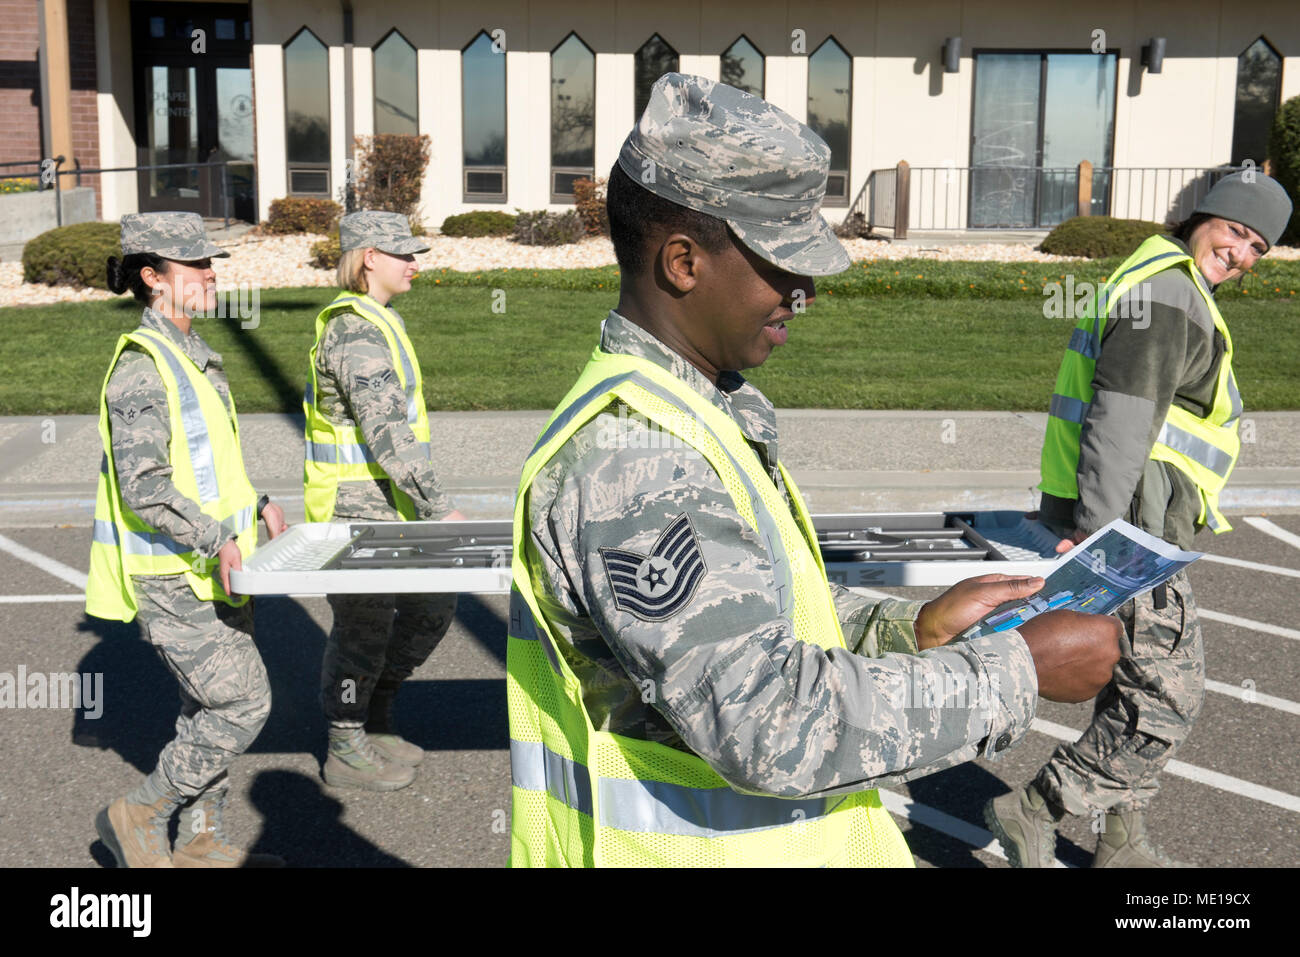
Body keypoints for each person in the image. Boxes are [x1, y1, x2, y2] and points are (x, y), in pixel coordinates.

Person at [506, 73, 1122, 867]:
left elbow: (763, 612)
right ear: (684, 262)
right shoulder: (637, 460)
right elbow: (767, 723)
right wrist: (1018, 669)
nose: (805, 291)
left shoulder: (693, 411)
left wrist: (919, 628)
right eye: (781, 261)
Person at [986, 171, 1293, 867]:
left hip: (1140, 522)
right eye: (1236, 232)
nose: (1242, 253)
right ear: (1203, 218)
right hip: (1132, 533)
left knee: (1136, 683)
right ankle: (1037, 806)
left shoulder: (1162, 279)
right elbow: (1121, 423)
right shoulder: (1173, 294)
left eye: (1258, 249)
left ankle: (1123, 839)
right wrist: (1103, 540)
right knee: (1169, 694)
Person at [88, 212, 288, 868]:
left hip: (215, 565)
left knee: (205, 702)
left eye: (211, 263)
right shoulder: (141, 369)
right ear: (151, 277)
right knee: (242, 699)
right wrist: (213, 537)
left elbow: (209, 462)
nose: (210, 275)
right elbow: (144, 484)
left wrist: (256, 503)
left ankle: (200, 842)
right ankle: (142, 808)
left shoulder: (193, 352)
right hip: (176, 572)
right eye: (195, 265)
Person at [304, 210, 462, 791]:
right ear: (369, 257)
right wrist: (440, 507)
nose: (415, 265)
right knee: (363, 632)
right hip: (355, 512)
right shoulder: (354, 331)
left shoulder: (379, 321)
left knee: (431, 609)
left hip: (393, 507)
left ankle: (376, 713)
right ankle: (345, 743)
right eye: (404, 254)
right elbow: (387, 430)